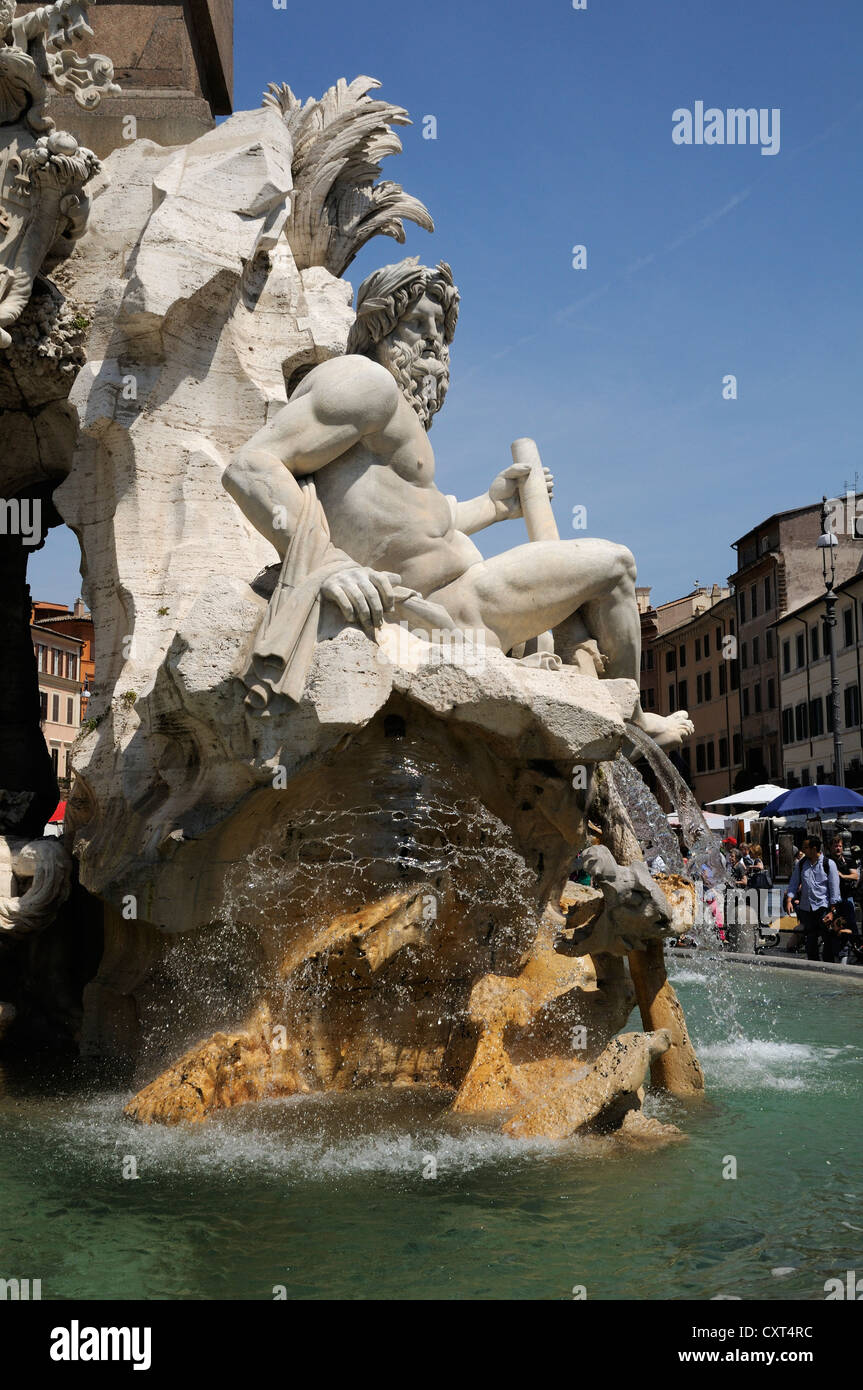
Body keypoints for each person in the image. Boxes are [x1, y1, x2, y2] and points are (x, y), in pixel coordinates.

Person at [224, 258, 694, 749]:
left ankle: (604, 702)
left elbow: (419, 526)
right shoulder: (364, 383)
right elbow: (252, 466)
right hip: (453, 605)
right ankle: (635, 718)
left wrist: (492, 506)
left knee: (579, 610)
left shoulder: (395, 421)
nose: (433, 338)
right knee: (616, 564)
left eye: (440, 328)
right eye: (416, 323)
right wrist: (330, 565)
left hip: (459, 603)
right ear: (379, 328)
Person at [783, 837, 843, 962]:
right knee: (810, 941)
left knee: (827, 941)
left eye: (805, 847)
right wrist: (789, 899)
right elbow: (794, 883)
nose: (803, 850)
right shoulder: (801, 864)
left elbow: (834, 890)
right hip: (806, 908)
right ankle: (813, 968)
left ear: (814, 849)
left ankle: (828, 968)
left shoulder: (828, 864)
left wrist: (833, 912)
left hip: (823, 908)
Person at [827, 835, 860, 964]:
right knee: (836, 927)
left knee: (851, 925)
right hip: (833, 899)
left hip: (847, 897)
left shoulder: (848, 860)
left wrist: (842, 875)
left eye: (840, 846)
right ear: (830, 848)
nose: (838, 848)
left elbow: (855, 876)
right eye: (835, 846)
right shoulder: (828, 862)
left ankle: (857, 949)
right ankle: (838, 954)